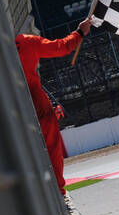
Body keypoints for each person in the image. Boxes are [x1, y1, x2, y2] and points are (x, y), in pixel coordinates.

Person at [15, 17, 91, 195]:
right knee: (52, 147)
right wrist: (79, 33)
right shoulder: (27, 41)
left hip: (12, 106)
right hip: (36, 101)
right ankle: (58, 192)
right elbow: (61, 47)